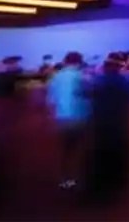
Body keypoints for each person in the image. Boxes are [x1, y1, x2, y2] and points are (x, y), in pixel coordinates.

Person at [86, 54, 129, 206]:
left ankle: (99, 187)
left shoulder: (98, 81)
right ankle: (115, 184)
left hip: (101, 122)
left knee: (100, 154)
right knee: (116, 154)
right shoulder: (122, 81)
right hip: (118, 123)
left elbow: (91, 97)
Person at [46, 52, 90, 190]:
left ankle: (65, 179)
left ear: (65, 61)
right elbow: (89, 96)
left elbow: (51, 101)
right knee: (81, 150)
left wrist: (52, 118)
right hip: (80, 117)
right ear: (79, 62)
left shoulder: (56, 77)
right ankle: (79, 180)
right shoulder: (83, 76)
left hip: (62, 117)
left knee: (66, 150)